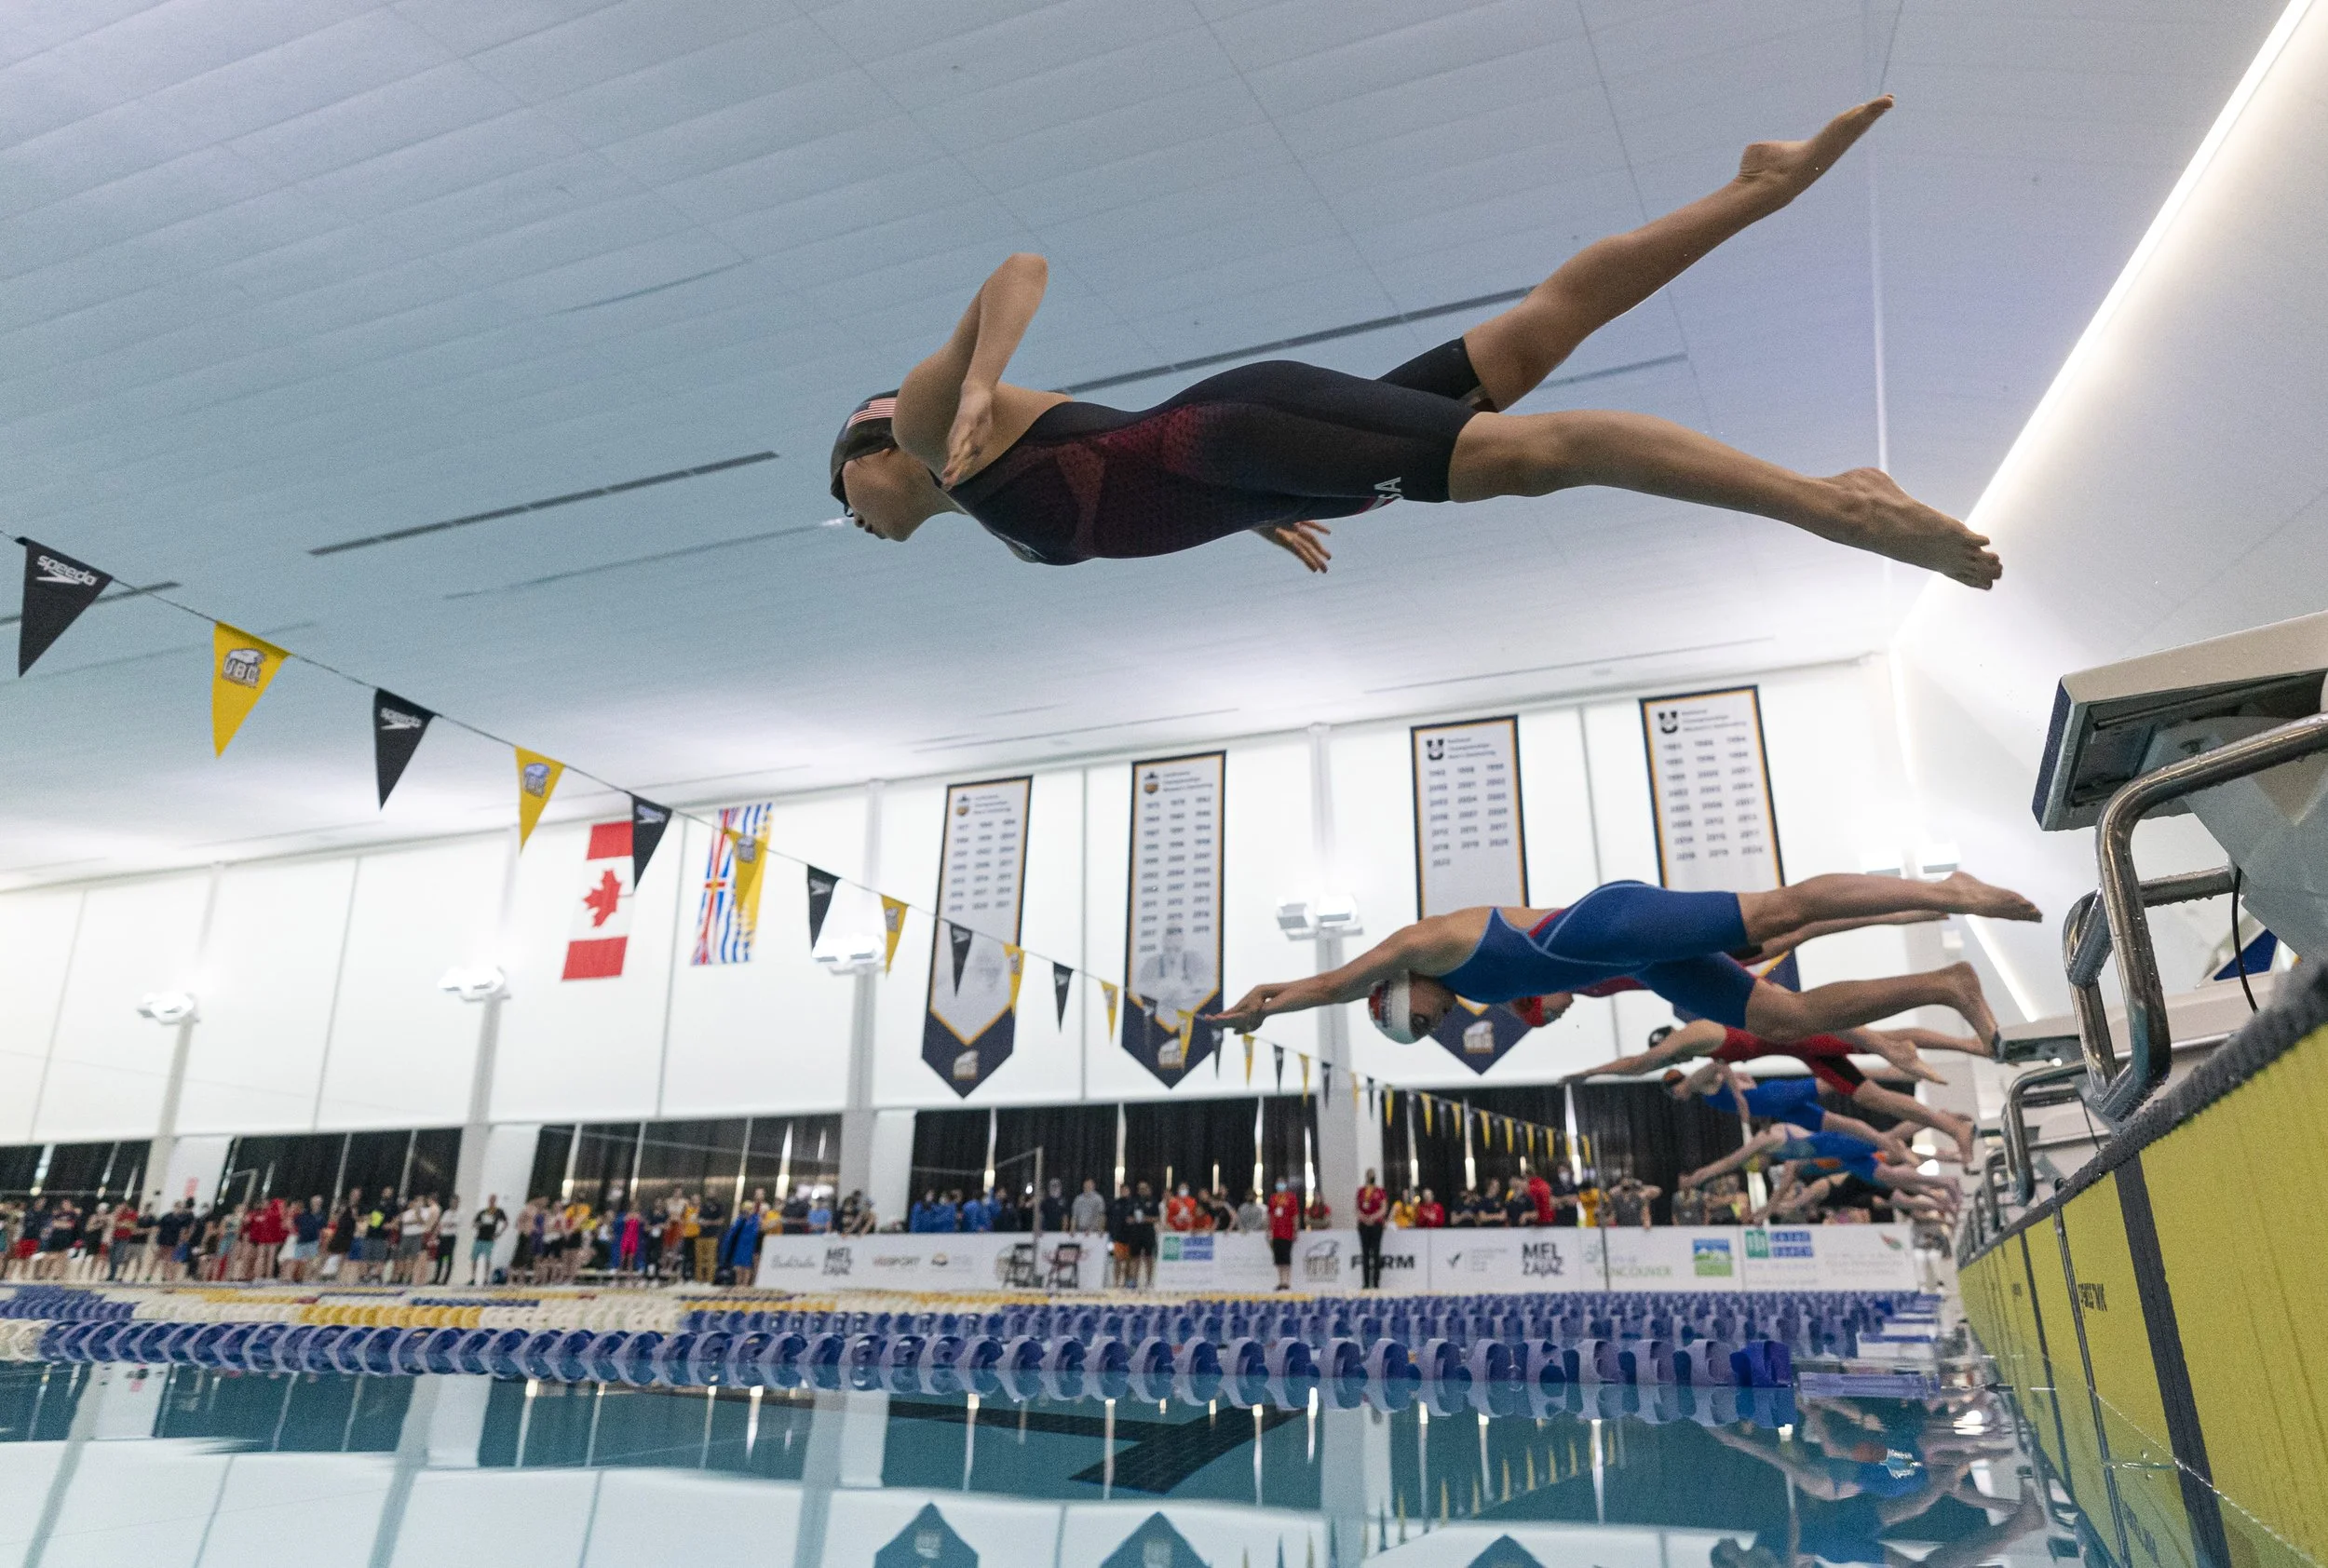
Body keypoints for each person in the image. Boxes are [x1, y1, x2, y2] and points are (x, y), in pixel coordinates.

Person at [835, 99, 2003, 594]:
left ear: (872, 447)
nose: (861, 528)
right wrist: (1246, 507)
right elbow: (1128, 482)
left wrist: (979, 378)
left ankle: (1836, 504)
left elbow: (1017, 269)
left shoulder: (943, 436)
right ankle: (1758, 187)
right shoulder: (984, 514)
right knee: (1533, 338)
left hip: (1244, 430)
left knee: (1541, 450)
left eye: (848, 501)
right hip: (1252, 458)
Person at [1211, 871, 2037, 1048]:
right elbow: (1555, 993)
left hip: (1616, 920)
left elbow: (1330, 980)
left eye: (1422, 1018)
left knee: (1785, 912)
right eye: (1428, 1030)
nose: (1437, 1022)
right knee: (1790, 1019)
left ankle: (1954, 893)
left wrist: (1263, 1002)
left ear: (1402, 987)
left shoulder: (1421, 944)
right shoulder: (1466, 992)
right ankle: (1944, 980)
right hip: (1638, 964)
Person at [1573, 1017, 1982, 1164]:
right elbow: (1726, 1066)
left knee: (1873, 1060)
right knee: (1858, 1120)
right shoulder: (1700, 1056)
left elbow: (1717, 1066)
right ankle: (1939, 1128)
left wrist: (1740, 1102)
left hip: (1779, 1088)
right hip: (1781, 1093)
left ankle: (1938, 1055)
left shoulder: (1696, 1066)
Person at [1354, 1169, 1389, 1291]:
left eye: (1373, 1174)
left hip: (1376, 1225)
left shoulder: (1380, 1191)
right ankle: (1365, 1282)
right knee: (1365, 1254)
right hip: (1363, 1225)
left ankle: (1375, 1283)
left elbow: (1384, 1208)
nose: (1371, 1177)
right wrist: (1364, 1218)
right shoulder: (1361, 1191)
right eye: (1369, 1174)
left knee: (1376, 1253)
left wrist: (1373, 1217)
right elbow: (1357, 1208)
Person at [1266, 1179, 1300, 1291]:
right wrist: (1268, 1229)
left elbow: (1295, 1215)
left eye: (1282, 1183)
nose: (1280, 1185)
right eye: (1278, 1183)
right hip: (1276, 1233)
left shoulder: (1291, 1197)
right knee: (1278, 1258)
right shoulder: (1272, 1198)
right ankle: (1280, 1281)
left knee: (1286, 1258)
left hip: (1287, 1232)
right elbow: (1270, 1215)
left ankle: (1287, 1282)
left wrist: (1296, 1230)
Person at [469, 1196, 507, 1286]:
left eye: (493, 1200)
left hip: (489, 1239)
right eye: (490, 1200)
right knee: (474, 1258)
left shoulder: (498, 1212)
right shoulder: (483, 1212)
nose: (491, 1202)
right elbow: (474, 1223)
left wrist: (498, 1234)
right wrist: (478, 1225)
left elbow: (505, 1223)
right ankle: (473, 1278)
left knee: (487, 1259)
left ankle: (485, 1278)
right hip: (479, 1238)